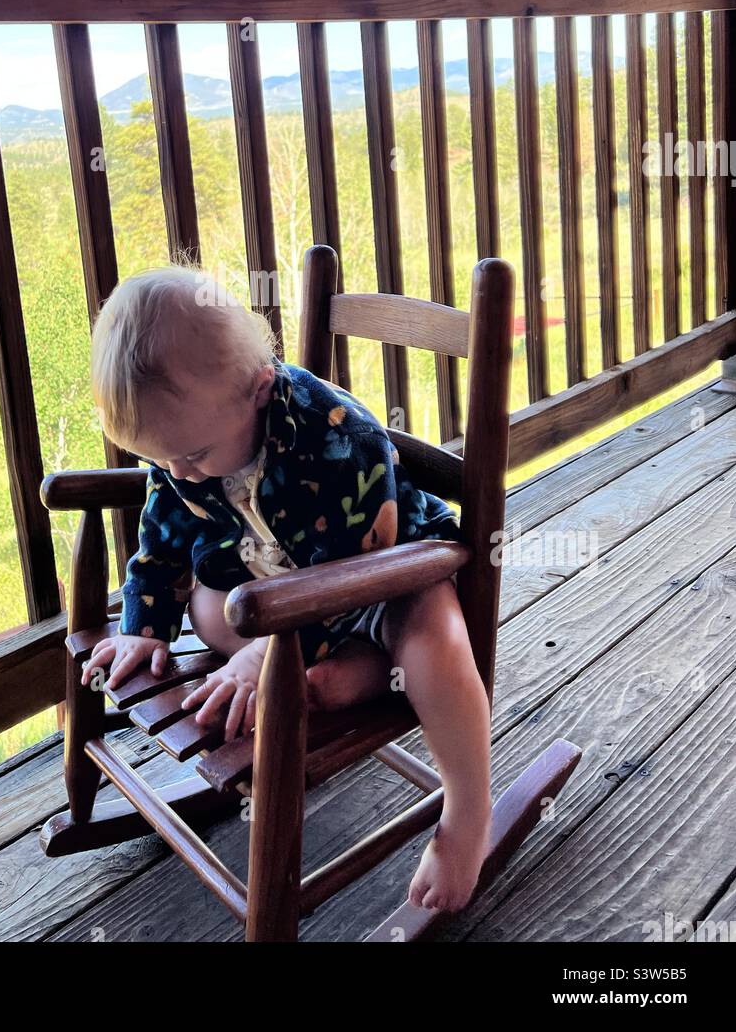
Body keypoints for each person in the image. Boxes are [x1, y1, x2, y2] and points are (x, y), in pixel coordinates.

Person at [82, 260, 492, 913]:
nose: (179, 475)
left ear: (259, 390)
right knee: (214, 609)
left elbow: (353, 567)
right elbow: (160, 531)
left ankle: (468, 811)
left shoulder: (335, 440)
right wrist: (144, 625)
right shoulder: (188, 443)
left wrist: (268, 650)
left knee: (432, 638)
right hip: (274, 579)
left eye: (190, 457)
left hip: (385, 567)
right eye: (160, 460)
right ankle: (351, 671)